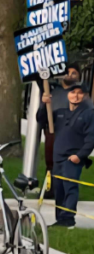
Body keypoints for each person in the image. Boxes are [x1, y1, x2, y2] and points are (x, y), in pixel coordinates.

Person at [39, 83, 94, 229]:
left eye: (80, 93)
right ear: (67, 94)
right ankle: (60, 220)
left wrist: (80, 155)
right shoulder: (60, 113)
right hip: (58, 158)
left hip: (73, 159)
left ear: (85, 96)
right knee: (59, 189)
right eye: (73, 92)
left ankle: (68, 219)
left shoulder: (89, 114)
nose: (76, 95)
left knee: (70, 188)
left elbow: (91, 139)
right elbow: (42, 119)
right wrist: (44, 104)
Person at [43, 63, 89, 192]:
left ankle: (68, 192)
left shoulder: (82, 95)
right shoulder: (53, 91)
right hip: (53, 131)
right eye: (67, 72)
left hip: (73, 134)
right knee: (51, 163)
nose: (70, 75)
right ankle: (50, 189)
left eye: (74, 73)